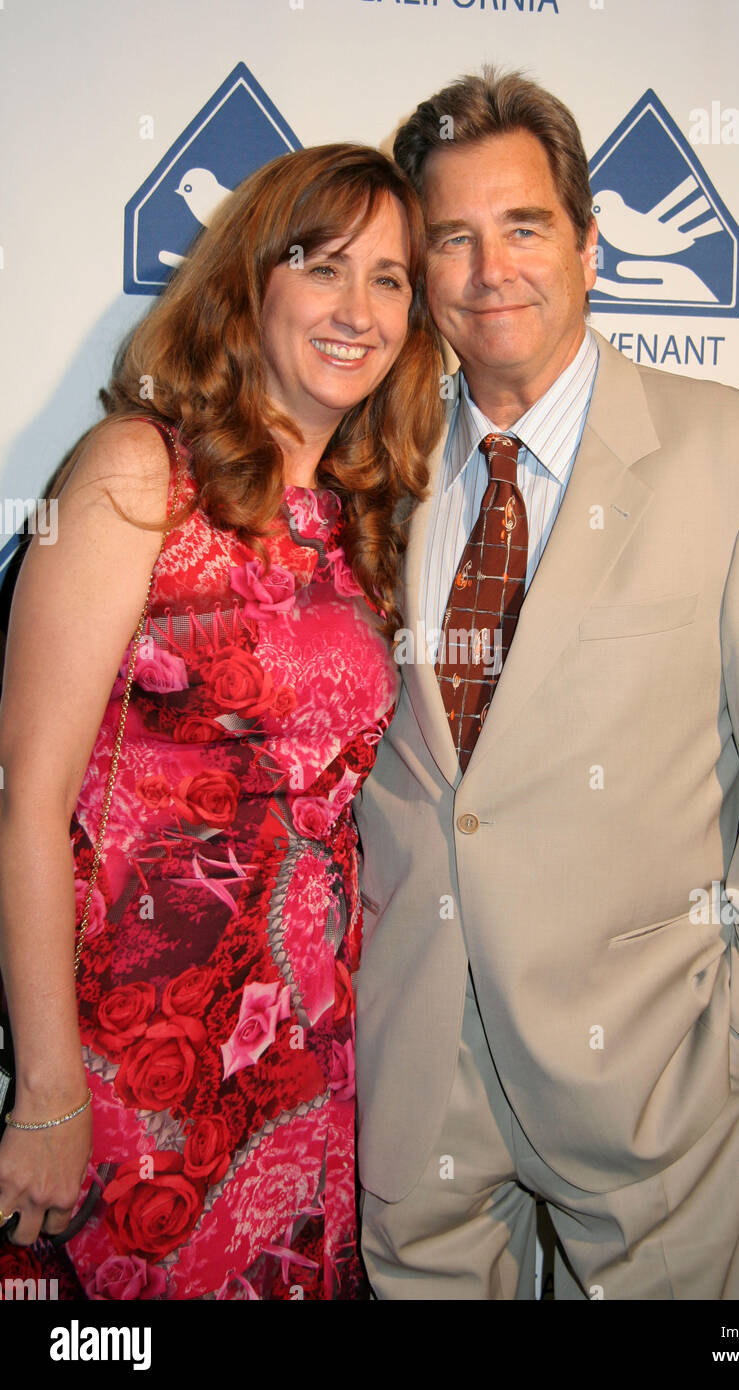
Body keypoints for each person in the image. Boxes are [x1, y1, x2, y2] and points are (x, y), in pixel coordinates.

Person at [353, 69, 739, 1299]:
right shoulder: (366, 466)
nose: (491, 271)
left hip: (650, 1081)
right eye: (453, 240)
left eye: (524, 228)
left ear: (589, 244)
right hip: (414, 1060)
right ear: (422, 269)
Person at [0, 144, 443, 1299]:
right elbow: (30, 801)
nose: (359, 310)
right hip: (131, 1064)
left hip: (307, 1072)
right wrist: (48, 1088)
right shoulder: (135, 476)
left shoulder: (364, 524)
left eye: (390, 279)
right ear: (254, 278)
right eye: (326, 265)